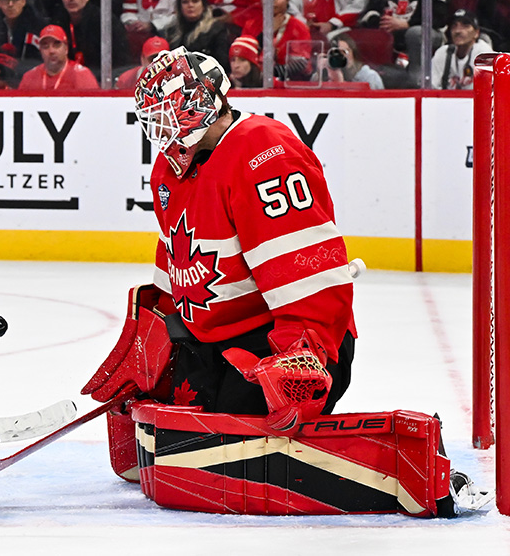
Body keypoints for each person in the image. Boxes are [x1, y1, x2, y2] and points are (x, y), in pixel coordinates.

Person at [82, 46, 358, 504]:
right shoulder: (171, 169)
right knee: (165, 439)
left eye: (166, 115)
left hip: (273, 344)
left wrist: (302, 354)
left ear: (200, 104)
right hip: (212, 340)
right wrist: (149, 339)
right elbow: (178, 254)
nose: (160, 131)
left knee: (217, 461)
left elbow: (305, 267)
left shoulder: (264, 153)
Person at [241, 0, 311, 69]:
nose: (271, 1)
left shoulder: (299, 28)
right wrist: (268, 33)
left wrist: (269, 74)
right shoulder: (250, 25)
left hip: (286, 81)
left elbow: (299, 65)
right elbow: (244, 56)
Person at [166, 0, 231, 69]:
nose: (190, 5)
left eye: (195, 1)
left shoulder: (216, 29)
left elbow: (222, 63)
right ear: (179, 6)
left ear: (203, 5)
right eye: (185, 2)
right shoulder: (171, 30)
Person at [17, 24, 99, 90]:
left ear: (66, 48)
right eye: (46, 46)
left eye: (57, 45)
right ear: (40, 51)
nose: (51, 51)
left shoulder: (82, 76)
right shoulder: (29, 77)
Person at [431, 9, 494, 90]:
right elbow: (432, 89)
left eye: (465, 26)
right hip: (447, 101)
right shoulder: (442, 53)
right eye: (454, 26)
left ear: (476, 33)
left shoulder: (483, 54)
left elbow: (489, 92)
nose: (458, 31)